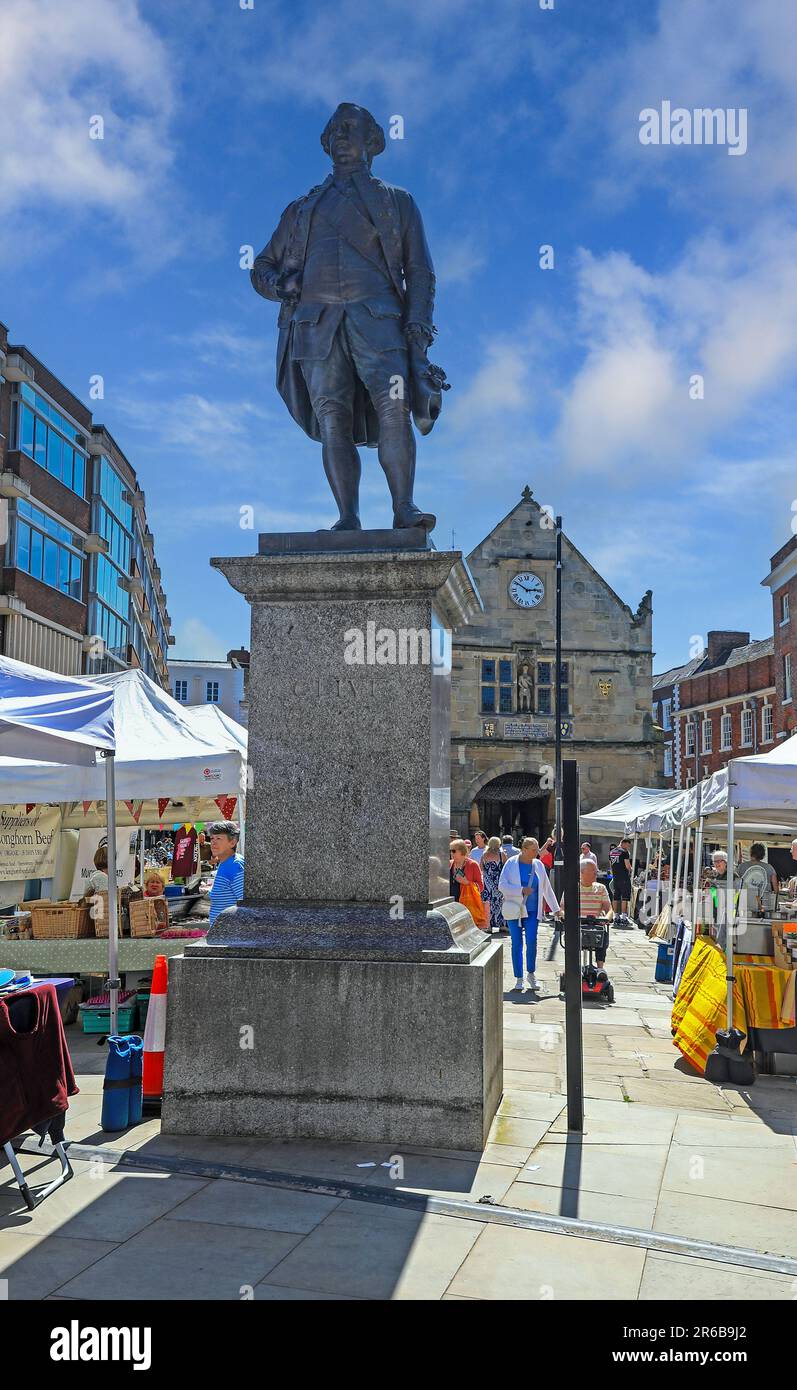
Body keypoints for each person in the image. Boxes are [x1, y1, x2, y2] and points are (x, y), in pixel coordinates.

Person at [499, 836, 559, 992]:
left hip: (532, 910)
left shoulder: (538, 865)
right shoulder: (511, 864)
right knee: (516, 943)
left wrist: (556, 909)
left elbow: (546, 888)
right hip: (515, 909)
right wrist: (520, 890)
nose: (536, 852)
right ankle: (519, 978)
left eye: (537, 848)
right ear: (524, 850)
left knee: (532, 941)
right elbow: (502, 885)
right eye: (533, 849)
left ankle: (531, 974)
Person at [560, 857, 613, 972]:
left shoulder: (601, 888)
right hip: (577, 924)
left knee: (602, 936)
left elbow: (609, 909)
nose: (596, 874)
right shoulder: (572, 888)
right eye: (593, 871)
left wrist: (607, 918)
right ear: (582, 872)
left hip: (595, 924)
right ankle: (572, 967)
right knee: (572, 938)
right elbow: (562, 908)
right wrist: (565, 916)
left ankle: (600, 969)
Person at [208, 821, 245, 925]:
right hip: (223, 933)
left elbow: (245, 903)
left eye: (218, 838)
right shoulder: (225, 863)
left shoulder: (235, 865)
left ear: (232, 842)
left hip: (230, 935)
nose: (213, 842)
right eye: (212, 838)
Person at [449, 838, 487, 929]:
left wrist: (466, 882)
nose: (451, 853)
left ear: (462, 851)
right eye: (450, 851)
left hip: (467, 906)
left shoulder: (472, 864)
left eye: (454, 851)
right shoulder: (449, 864)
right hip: (451, 904)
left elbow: (480, 886)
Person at [739, 842, 778, 918]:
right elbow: (775, 888)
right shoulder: (769, 867)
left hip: (746, 904)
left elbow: (736, 884)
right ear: (763, 855)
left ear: (751, 852)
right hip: (765, 904)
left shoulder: (741, 867)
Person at [480, 836, 506, 935]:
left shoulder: (484, 855)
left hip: (487, 882)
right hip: (498, 881)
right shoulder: (501, 855)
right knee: (500, 902)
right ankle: (502, 925)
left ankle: (489, 926)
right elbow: (506, 867)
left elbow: (481, 868)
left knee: (488, 903)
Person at [609, 837, 633, 918]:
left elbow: (610, 865)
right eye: (628, 845)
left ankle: (615, 915)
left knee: (616, 897)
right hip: (624, 877)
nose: (628, 847)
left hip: (615, 877)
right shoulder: (624, 852)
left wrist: (614, 874)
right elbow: (627, 866)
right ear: (624, 843)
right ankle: (623, 916)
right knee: (625, 897)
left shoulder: (611, 852)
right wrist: (631, 870)